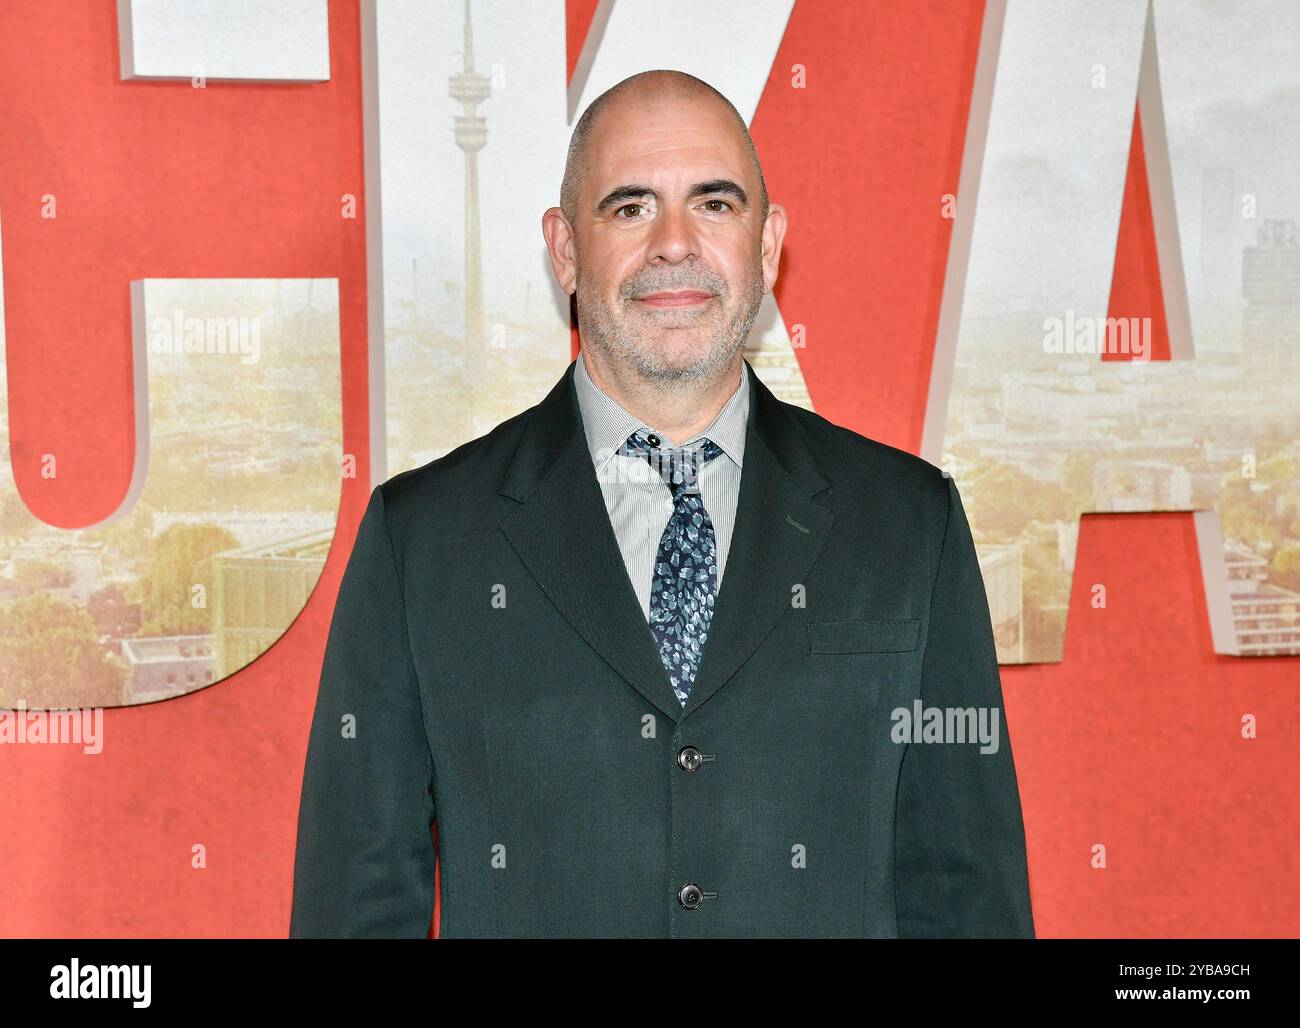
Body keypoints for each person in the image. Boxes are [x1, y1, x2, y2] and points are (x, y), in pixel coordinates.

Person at [290, 69, 1034, 938]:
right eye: (631, 207)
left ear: (767, 243)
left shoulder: (910, 524)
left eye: (715, 204)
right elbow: (356, 904)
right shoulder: (423, 541)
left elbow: (967, 892)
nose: (675, 244)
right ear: (565, 250)